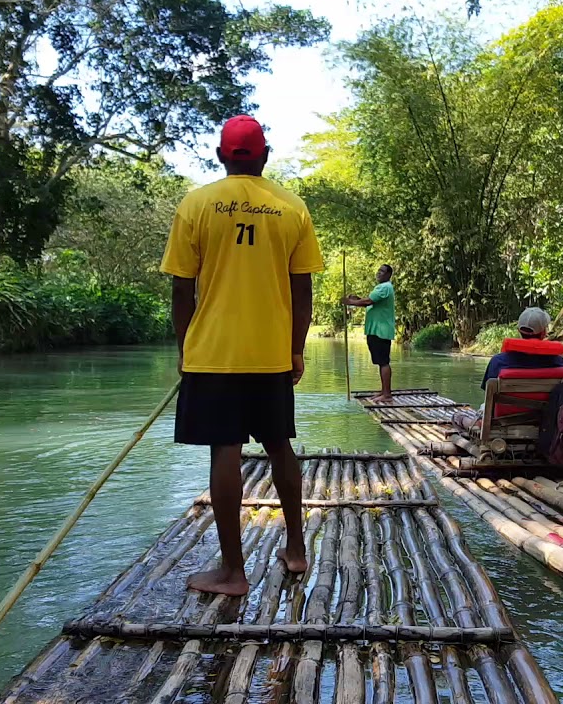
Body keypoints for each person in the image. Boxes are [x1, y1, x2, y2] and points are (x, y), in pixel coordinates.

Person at [160, 115, 323, 596]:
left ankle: (233, 572)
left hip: (213, 353)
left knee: (224, 451)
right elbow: (302, 294)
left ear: (219, 155)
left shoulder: (196, 205)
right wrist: (295, 348)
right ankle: (295, 549)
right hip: (271, 352)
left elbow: (181, 291)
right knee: (279, 445)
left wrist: (184, 347)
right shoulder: (291, 208)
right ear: (265, 155)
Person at [452, 307, 561, 431]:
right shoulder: (558, 362)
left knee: (458, 417)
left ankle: (461, 419)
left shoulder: (498, 362)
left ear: (519, 331)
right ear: (543, 333)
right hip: (546, 423)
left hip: (502, 423)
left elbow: (489, 396)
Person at [344, 265, 396, 402]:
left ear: (388, 275)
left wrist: (351, 302)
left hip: (380, 330)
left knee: (384, 362)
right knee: (381, 362)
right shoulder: (381, 288)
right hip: (376, 330)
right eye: (378, 271)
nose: (379, 273)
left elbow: (368, 302)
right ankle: (384, 391)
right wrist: (356, 299)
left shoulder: (384, 287)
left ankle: (387, 394)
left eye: (382, 271)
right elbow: (370, 302)